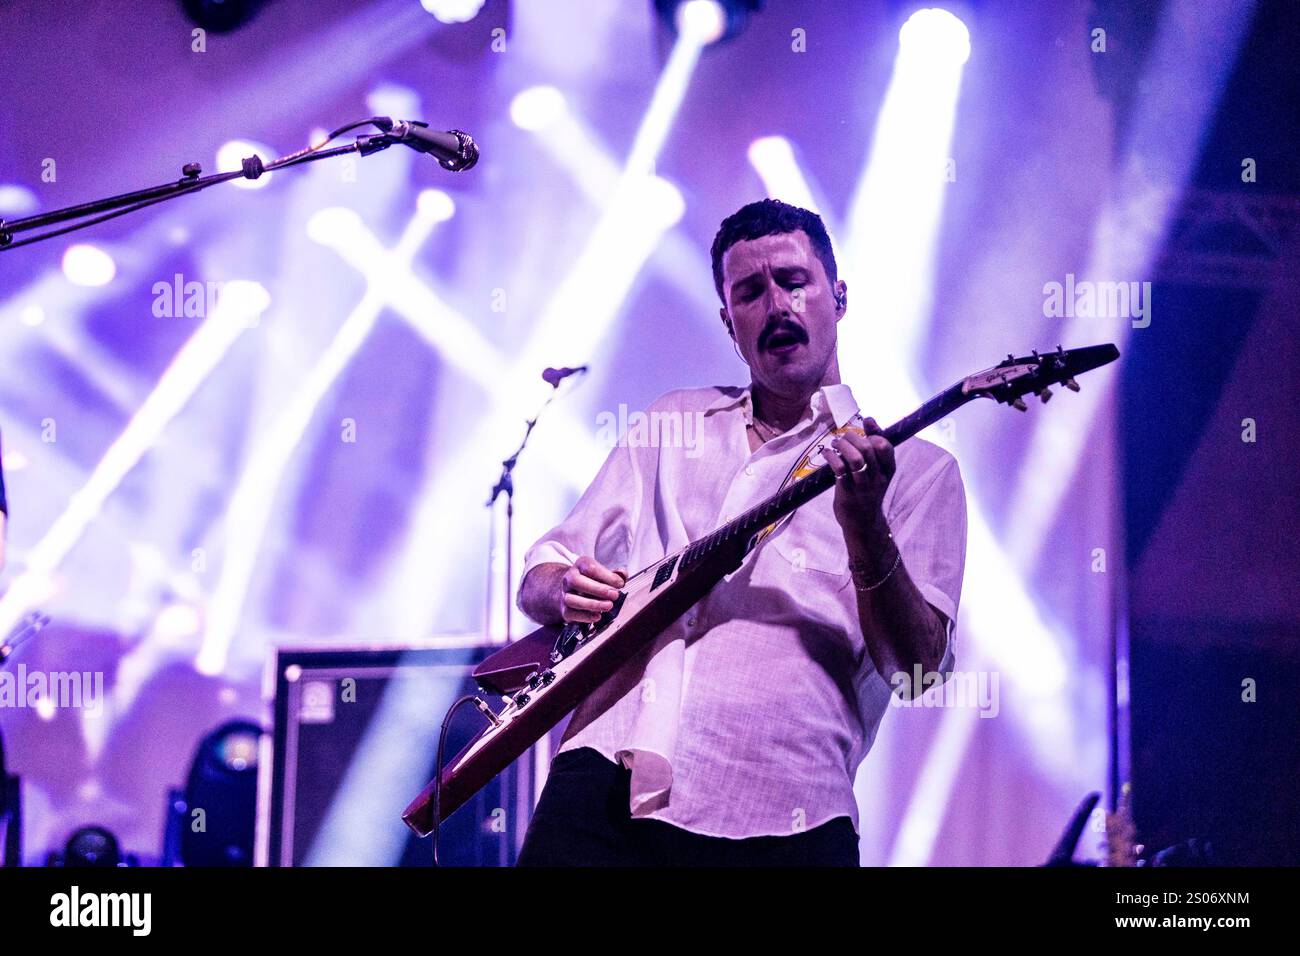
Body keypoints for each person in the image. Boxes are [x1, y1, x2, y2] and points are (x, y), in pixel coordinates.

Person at [514, 199, 968, 866]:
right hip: (607, 772)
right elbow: (543, 576)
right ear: (730, 322)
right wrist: (562, 589)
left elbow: (920, 674)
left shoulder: (919, 472)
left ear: (838, 297)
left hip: (788, 811)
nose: (776, 306)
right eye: (750, 292)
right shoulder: (674, 423)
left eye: (793, 281)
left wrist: (865, 527)